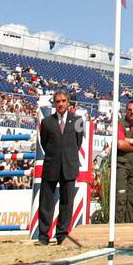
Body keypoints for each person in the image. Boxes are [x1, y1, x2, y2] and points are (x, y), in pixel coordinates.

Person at [36, 91, 84, 245]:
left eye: (64, 101)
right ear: (54, 103)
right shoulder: (47, 122)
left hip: (69, 166)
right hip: (51, 165)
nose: (61, 104)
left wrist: (66, 155)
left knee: (66, 203)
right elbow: (44, 143)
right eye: (58, 101)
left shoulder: (78, 120)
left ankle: (62, 234)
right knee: (46, 202)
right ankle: (43, 236)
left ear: (68, 102)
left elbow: (78, 143)